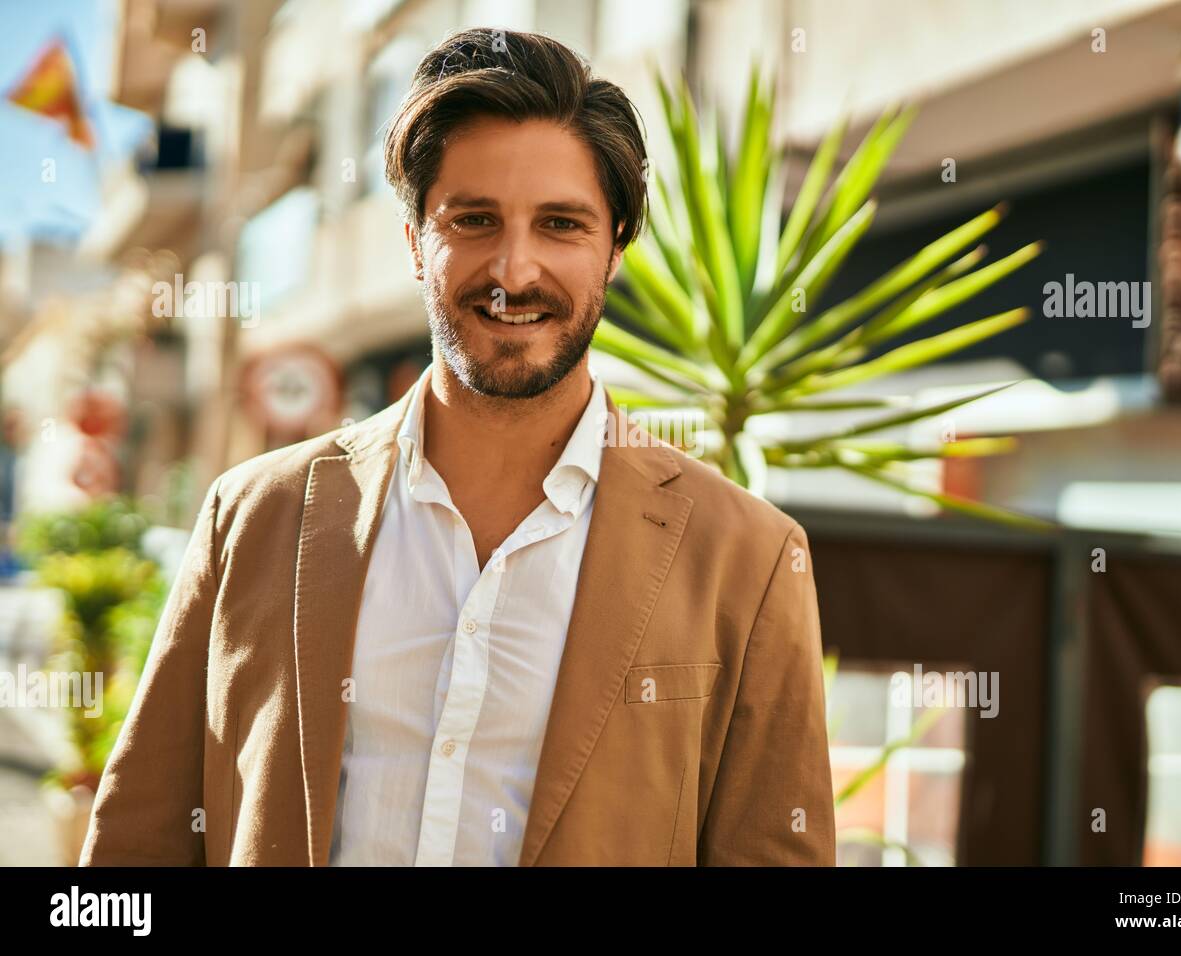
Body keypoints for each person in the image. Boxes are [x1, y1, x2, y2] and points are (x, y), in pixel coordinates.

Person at [80, 27, 835, 867]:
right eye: (473, 220)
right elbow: (137, 846)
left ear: (615, 248)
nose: (515, 268)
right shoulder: (253, 518)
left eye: (561, 224)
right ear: (413, 242)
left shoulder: (747, 559)